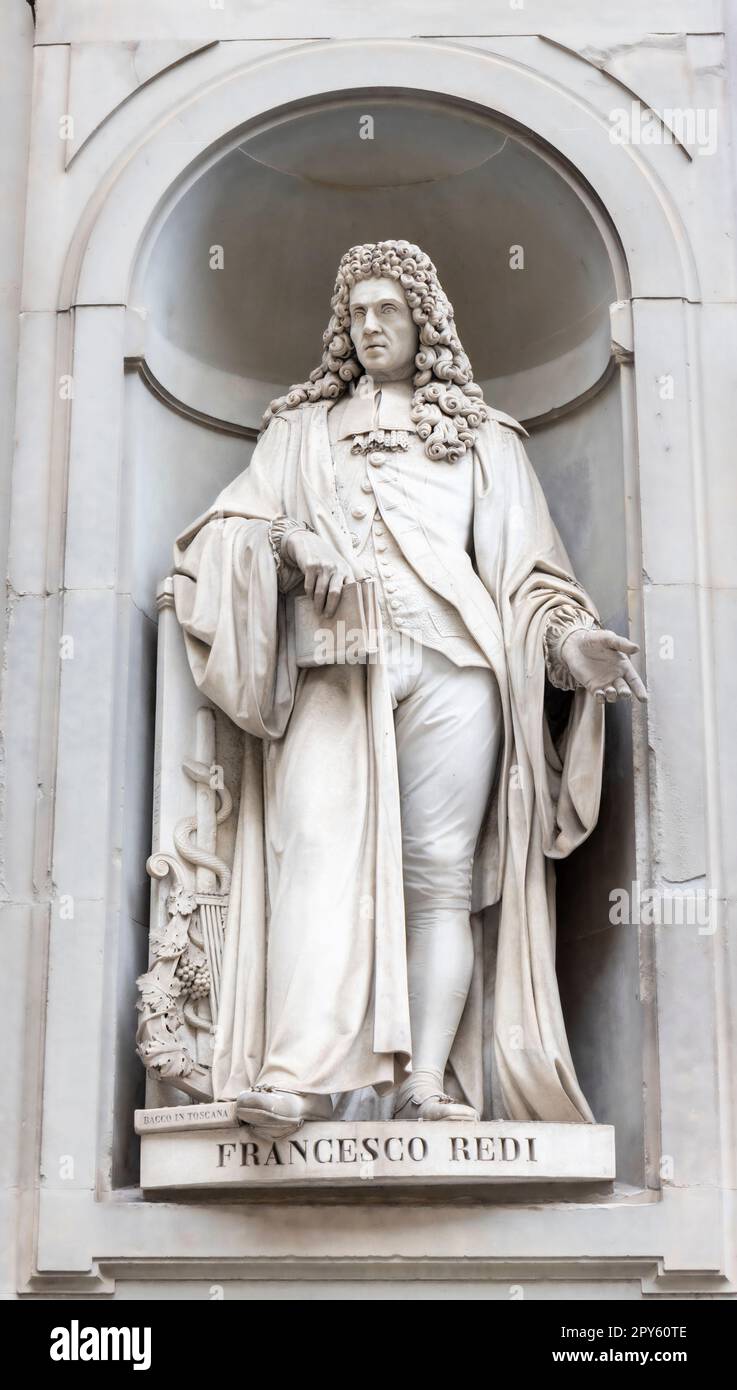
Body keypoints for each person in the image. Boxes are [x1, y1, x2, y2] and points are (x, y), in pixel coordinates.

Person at [173, 240, 646, 1137]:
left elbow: (528, 578)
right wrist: (286, 546)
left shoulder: (482, 439)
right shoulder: (297, 434)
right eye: (355, 313)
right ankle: (295, 1076)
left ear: (423, 320)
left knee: (435, 882)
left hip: (454, 668)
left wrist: (568, 646)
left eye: (387, 309)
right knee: (315, 857)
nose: (369, 325)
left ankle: (423, 1080)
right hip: (336, 672)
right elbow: (217, 538)